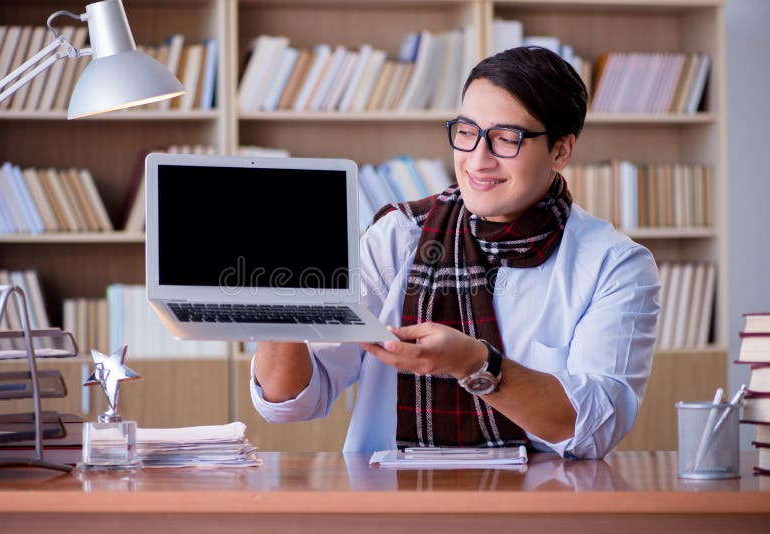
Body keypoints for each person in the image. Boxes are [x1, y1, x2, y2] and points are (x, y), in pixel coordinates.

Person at [250, 47, 661, 459]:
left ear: (561, 150)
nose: (477, 161)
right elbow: (292, 401)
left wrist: (475, 364)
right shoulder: (398, 237)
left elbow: (593, 430)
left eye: (505, 139)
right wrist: (282, 304)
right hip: (391, 506)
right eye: (467, 133)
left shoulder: (616, 266)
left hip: (540, 507)